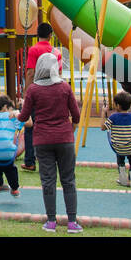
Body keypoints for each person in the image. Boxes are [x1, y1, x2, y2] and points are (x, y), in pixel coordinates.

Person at [18, 53, 81, 233]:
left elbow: (24, 116)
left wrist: (19, 109)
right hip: (65, 138)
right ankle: (72, 222)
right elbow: (76, 115)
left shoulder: (33, 90)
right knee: (68, 180)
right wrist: (70, 126)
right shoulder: (64, 87)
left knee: (48, 181)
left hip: (42, 139)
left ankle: (51, 221)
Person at [20, 22, 63, 173]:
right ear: (51, 35)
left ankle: (30, 161)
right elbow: (59, 74)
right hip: (53, 91)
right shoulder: (56, 52)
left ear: (37, 34)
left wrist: (26, 93)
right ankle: (51, 160)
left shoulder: (34, 50)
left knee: (31, 126)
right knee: (50, 125)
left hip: (37, 91)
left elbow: (30, 72)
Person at [103, 90, 131, 188]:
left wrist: (103, 113)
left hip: (118, 147)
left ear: (118, 106)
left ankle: (122, 179)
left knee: (120, 161)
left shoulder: (113, 117)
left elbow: (103, 127)